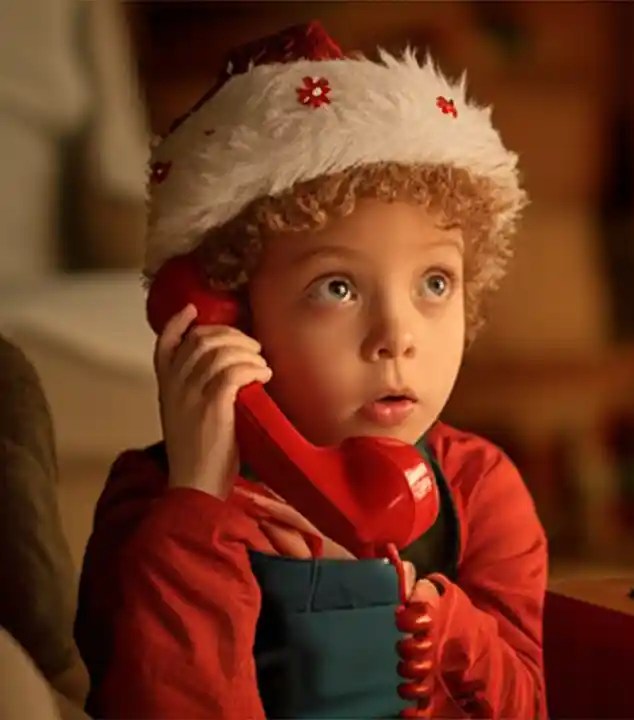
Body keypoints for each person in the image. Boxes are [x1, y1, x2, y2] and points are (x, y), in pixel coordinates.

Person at [72, 20, 546, 719]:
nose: (397, 336)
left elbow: (528, 705)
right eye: (338, 288)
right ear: (229, 314)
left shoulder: (480, 490)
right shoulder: (152, 505)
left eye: (435, 283)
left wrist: (439, 622)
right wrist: (198, 504)